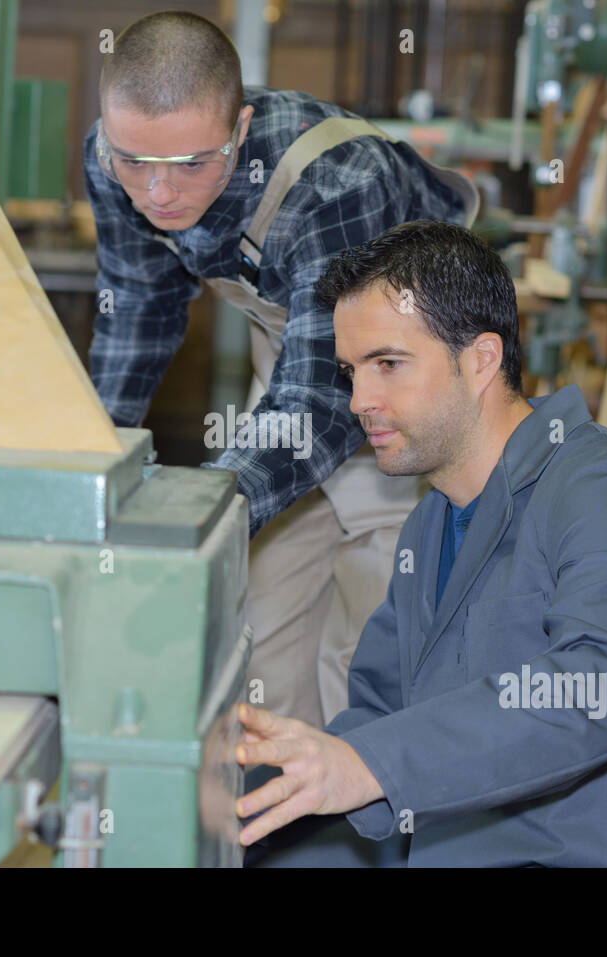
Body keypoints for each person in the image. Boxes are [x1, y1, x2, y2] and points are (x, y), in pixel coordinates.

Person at [235, 221, 607, 867]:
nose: (359, 399)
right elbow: (381, 716)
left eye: (388, 364)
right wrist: (248, 785)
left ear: (481, 359)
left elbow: (598, 685)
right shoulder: (431, 526)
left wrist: (372, 763)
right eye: (351, 370)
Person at [83, 11, 478, 729]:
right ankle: (275, 825)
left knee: (370, 655)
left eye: (191, 165)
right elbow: (139, 304)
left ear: (240, 129)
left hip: (413, 376)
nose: (158, 192)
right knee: (253, 638)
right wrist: (87, 460)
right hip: (303, 354)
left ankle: (368, 827)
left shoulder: (335, 184)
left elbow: (324, 400)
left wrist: (204, 508)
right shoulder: (115, 154)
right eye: (134, 161)